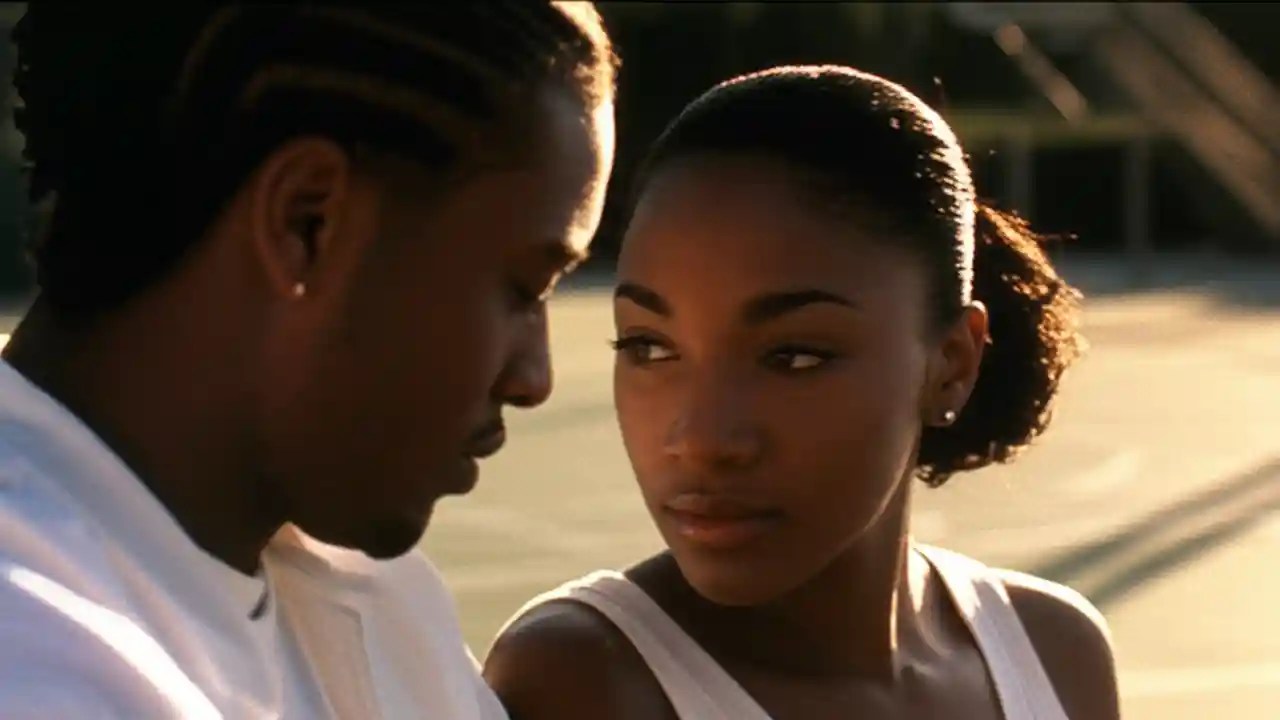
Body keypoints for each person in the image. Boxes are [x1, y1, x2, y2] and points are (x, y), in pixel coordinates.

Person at [0, 3, 615, 718]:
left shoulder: (374, 603)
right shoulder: (37, 661)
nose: (533, 379)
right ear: (307, 221)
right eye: (521, 288)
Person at [486, 65, 1120, 720]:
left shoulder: (1053, 653)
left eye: (794, 355)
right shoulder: (582, 681)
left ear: (952, 363)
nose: (702, 439)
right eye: (648, 347)